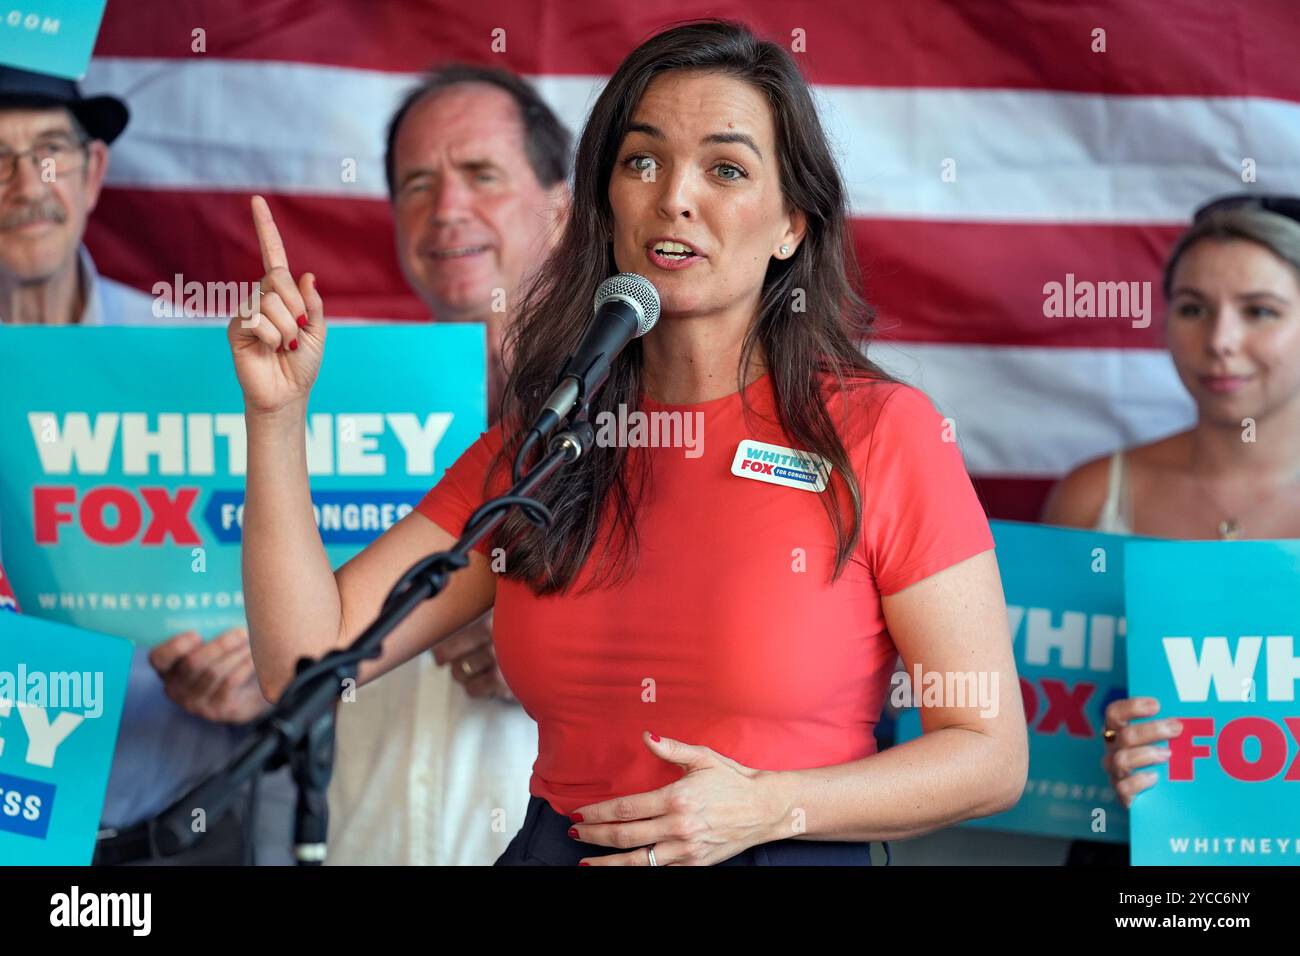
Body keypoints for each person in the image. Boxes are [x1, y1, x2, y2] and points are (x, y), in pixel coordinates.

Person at [230, 20, 1027, 866]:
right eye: (642, 161)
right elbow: (305, 664)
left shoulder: (880, 432)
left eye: (726, 168)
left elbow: (989, 754)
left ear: (792, 223)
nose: (674, 196)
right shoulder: (544, 444)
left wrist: (770, 808)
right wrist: (277, 420)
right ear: (605, 203)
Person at [0, 65, 292, 864]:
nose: (28, 185)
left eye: (51, 153)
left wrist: (261, 674)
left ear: (93, 174)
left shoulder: (208, 359)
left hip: (180, 831)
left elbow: (297, 572)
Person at [325, 64, 569, 865]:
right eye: (417, 184)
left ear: (563, 208)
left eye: (481, 175)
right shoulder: (330, 411)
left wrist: (551, 647)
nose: (446, 209)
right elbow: (302, 637)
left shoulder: (651, 413)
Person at [1043, 193, 1300, 864]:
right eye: (1192, 308)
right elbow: (1040, 724)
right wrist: (1103, 751)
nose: (1220, 340)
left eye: (1260, 312)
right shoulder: (1094, 494)